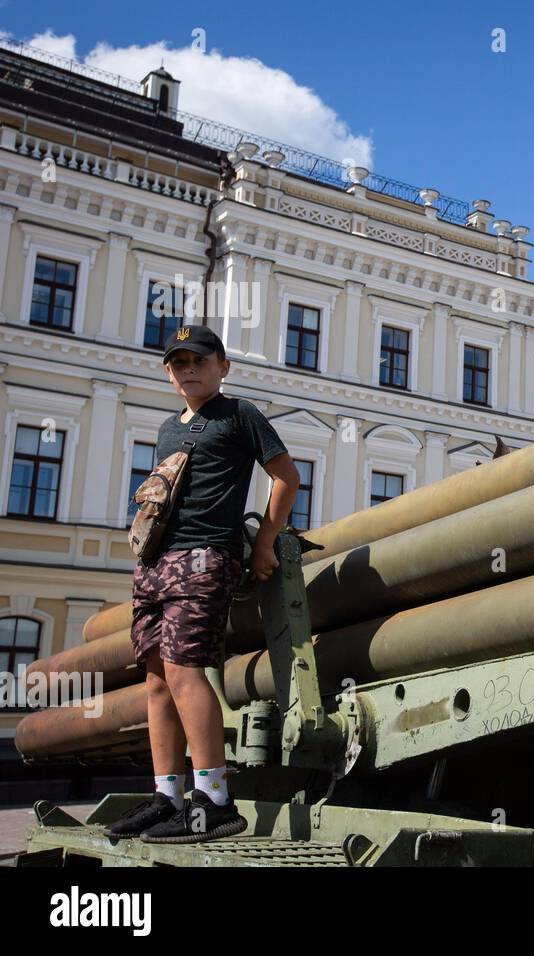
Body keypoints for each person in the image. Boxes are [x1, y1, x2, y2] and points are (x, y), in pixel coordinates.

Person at [105, 325, 299, 844]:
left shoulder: (240, 415)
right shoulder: (170, 427)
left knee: (185, 670)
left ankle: (214, 799)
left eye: (198, 360)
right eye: (177, 363)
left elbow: (286, 477)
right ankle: (167, 797)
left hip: (204, 558)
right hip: (154, 561)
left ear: (222, 366)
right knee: (154, 679)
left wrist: (263, 545)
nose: (187, 369)